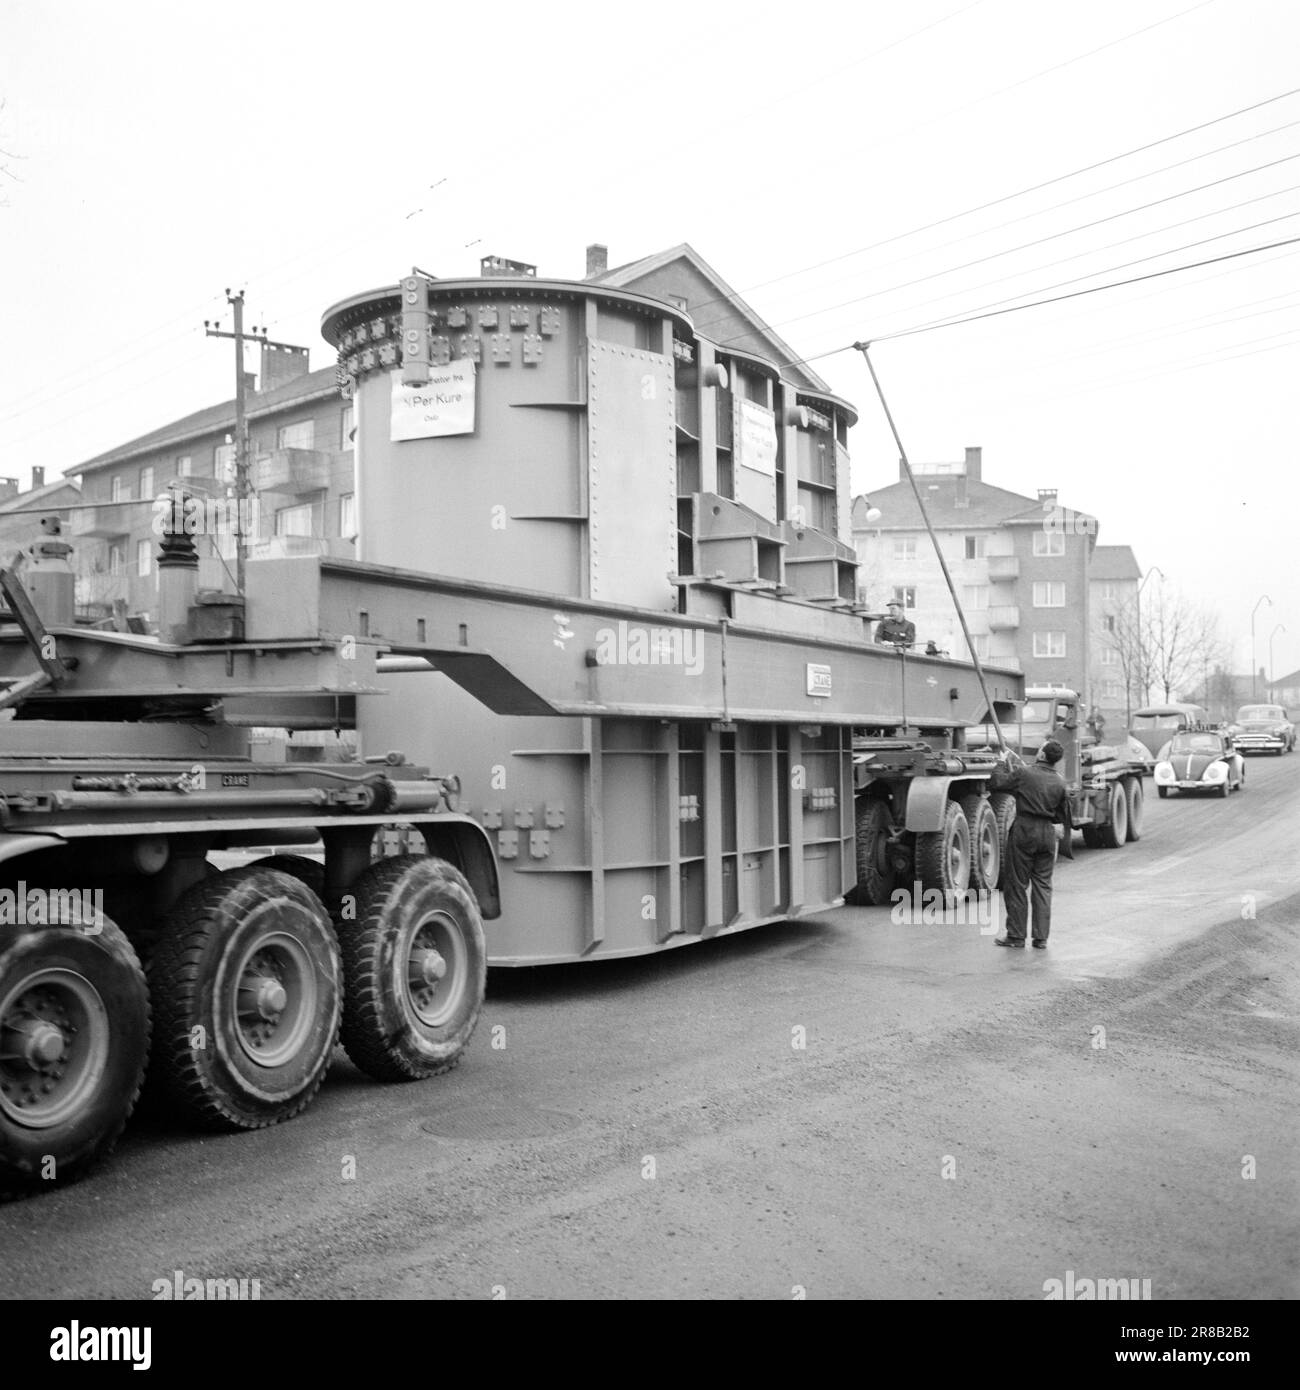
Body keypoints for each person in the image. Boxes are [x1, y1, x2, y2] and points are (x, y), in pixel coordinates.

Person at [987, 737, 1074, 949]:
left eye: (1040, 749)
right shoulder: (1060, 782)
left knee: (1017, 884)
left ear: (1043, 755)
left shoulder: (1025, 774)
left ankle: (1016, 936)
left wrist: (1000, 762)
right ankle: (1041, 938)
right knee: (1043, 886)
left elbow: (997, 783)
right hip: (1047, 835)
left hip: (1024, 831)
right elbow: (1065, 816)